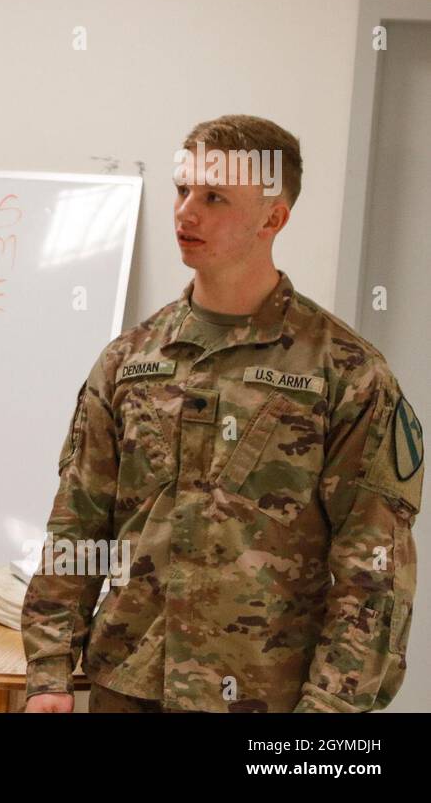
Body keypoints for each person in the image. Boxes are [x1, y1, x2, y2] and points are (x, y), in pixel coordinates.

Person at [22, 115, 422, 713]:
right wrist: (50, 673)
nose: (186, 212)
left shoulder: (347, 373)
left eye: (214, 197)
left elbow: (372, 575)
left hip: (268, 701)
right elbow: (81, 528)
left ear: (272, 218)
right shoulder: (129, 360)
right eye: (182, 189)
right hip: (127, 684)